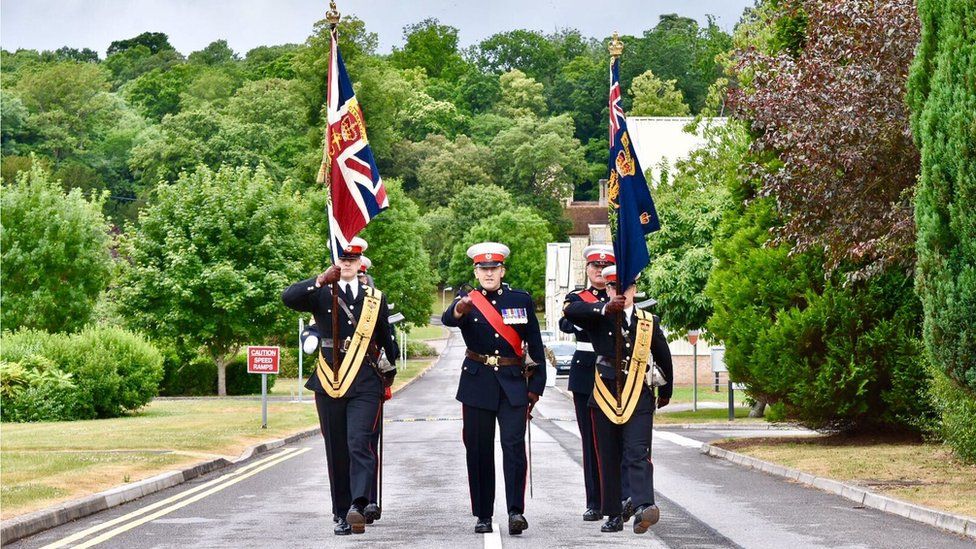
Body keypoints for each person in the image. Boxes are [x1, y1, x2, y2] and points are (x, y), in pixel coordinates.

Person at [281, 237, 398, 536]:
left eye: (351, 259)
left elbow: (385, 336)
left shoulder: (375, 298)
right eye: (341, 259)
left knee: (359, 442)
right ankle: (340, 512)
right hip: (329, 379)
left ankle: (358, 506)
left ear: (360, 264)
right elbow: (288, 297)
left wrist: (391, 364)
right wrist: (320, 279)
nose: (346, 263)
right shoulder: (320, 294)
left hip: (364, 381)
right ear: (336, 261)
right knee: (337, 449)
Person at [442, 242, 546, 536]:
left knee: (513, 449)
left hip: (513, 383)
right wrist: (460, 307)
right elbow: (450, 319)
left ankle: (516, 511)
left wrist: (536, 386)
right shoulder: (467, 301)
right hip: (477, 383)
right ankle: (483, 514)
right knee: (478, 450)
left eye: (493, 268)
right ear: (476, 272)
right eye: (483, 269)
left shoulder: (521, 300)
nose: (488, 273)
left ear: (502, 270)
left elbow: (535, 346)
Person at [562, 265, 673, 534]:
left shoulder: (648, 322)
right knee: (608, 456)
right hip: (605, 395)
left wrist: (666, 391)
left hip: (639, 395)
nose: (618, 292)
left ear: (634, 289)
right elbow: (570, 311)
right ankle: (613, 513)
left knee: (638, 452)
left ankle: (644, 506)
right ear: (607, 288)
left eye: (624, 287)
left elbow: (663, 355)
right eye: (612, 287)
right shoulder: (597, 317)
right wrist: (603, 308)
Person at [558, 244, 629, 523]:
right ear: (587, 269)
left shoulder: (623, 295)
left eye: (604, 267)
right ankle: (595, 501)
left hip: (617, 373)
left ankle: (623, 497)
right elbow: (570, 317)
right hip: (587, 373)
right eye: (595, 267)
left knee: (620, 440)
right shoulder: (577, 297)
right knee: (591, 441)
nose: (599, 271)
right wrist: (599, 310)